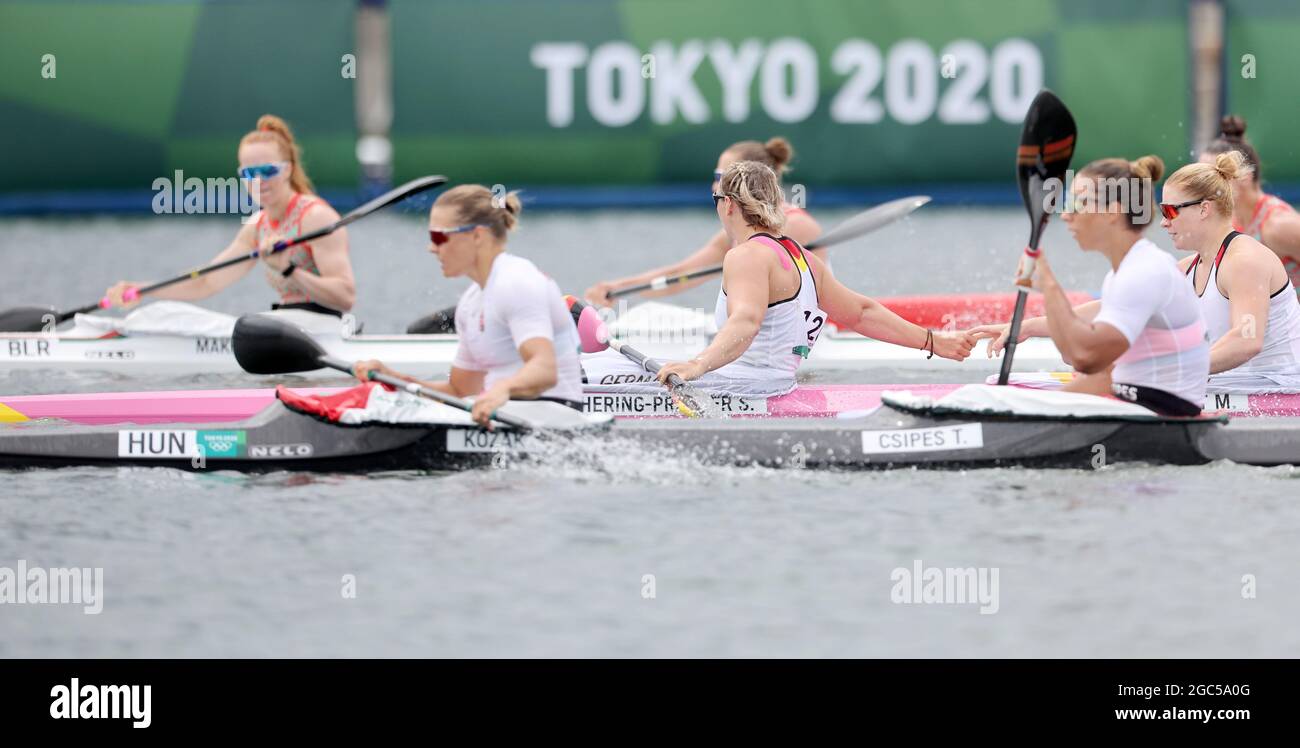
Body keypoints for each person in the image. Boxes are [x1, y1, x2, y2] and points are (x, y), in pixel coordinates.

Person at [581, 161, 976, 397]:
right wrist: (932, 341)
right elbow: (860, 312)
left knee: (585, 372)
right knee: (618, 360)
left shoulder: (746, 257)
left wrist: (697, 366)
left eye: (716, 200)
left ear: (730, 206)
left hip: (743, 387)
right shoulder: (800, 255)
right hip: (775, 381)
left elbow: (745, 322)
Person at [972, 155, 1210, 415]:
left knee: (994, 402)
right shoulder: (1129, 269)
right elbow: (1080, 357)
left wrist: (1049, 286)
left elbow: (1084, 357)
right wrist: (1026, 327)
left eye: (1078, 203)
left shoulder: (1144, 272)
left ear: (1113, 212)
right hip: (1139, 399)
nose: (1065, 215)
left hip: (1163, 412)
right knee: (995, 396)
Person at [353, 185, 583, 427]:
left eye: (439, 236)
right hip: (505, 414)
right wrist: (393, 378)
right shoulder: (470, 303)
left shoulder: (518, 282)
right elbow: (458, 391)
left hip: (554, 418)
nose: (431, 247)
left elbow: (545, 370)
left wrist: (501, 389)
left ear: (477, 236)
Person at [105, 114, 356, 317]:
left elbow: (345, 297)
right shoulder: (257, 227)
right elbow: (207, 282)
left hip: (328, 328)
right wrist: (143, 289)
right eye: (249, 173)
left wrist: (289, 269)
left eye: (267, 170)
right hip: (289, 325)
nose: (258, 181)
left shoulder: (316, 217)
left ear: (287, 170)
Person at [583, 137, 822, 306]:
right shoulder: (737, 233)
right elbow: (683, 274)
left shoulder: (795, 226)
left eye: (721, 176)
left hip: (811, 337)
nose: (714, 185)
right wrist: (616, 288)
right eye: (715, 176)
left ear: (749, 177)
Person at [1167, 152, 1300, 391]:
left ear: (1203, 209)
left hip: (1278, 392)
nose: (1163, 222)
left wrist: (1170, 370)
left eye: (1170, 211)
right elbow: (1115, 309)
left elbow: (1247, 339)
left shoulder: (1245, 260)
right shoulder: (1187, 268)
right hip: (1231, 386)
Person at [1200, 115, 1300, 299]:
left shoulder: (1277, 225)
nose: (1202, 185)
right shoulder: (1230, 223)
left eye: (1214, 175)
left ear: (1244, 176)